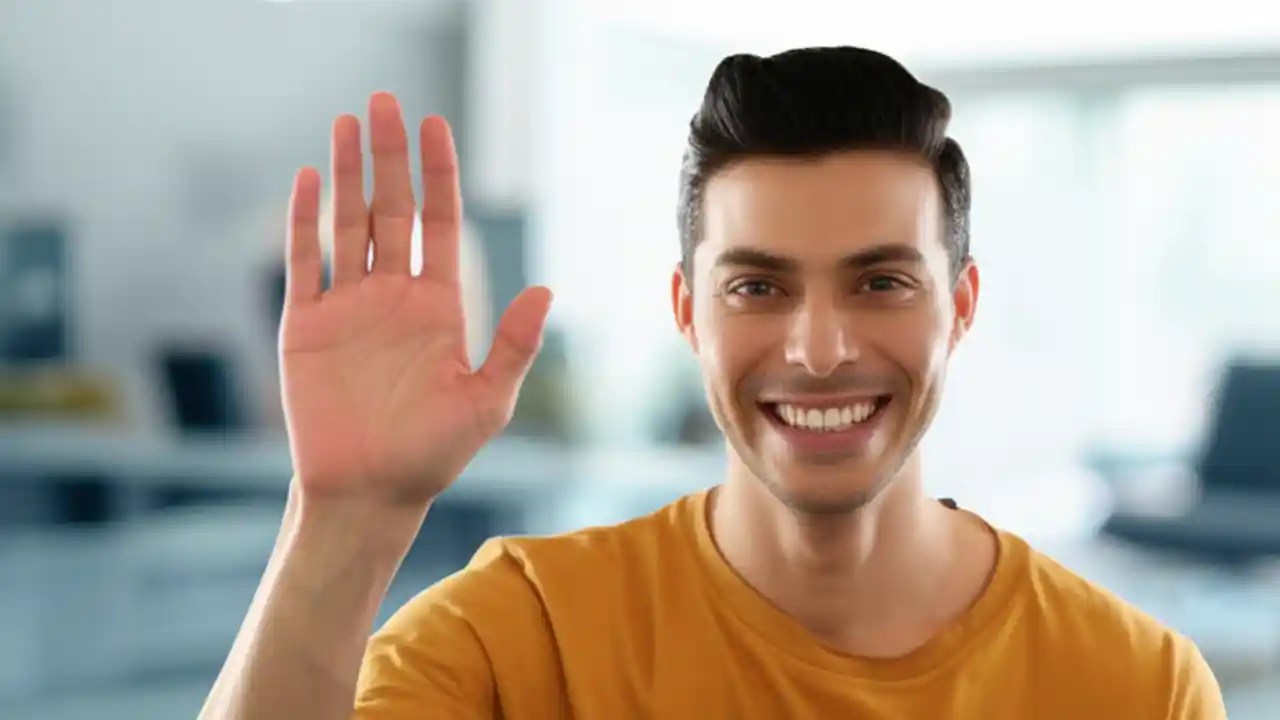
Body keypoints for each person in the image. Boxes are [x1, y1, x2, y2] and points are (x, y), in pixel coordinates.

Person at [198, 46, 1226, 719]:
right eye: (757, 286)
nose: (817, 348)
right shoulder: (516, 639)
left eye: (878, 280)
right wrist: (343, 518)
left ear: (957, 306)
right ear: (687, 312)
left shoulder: (1136, 685)